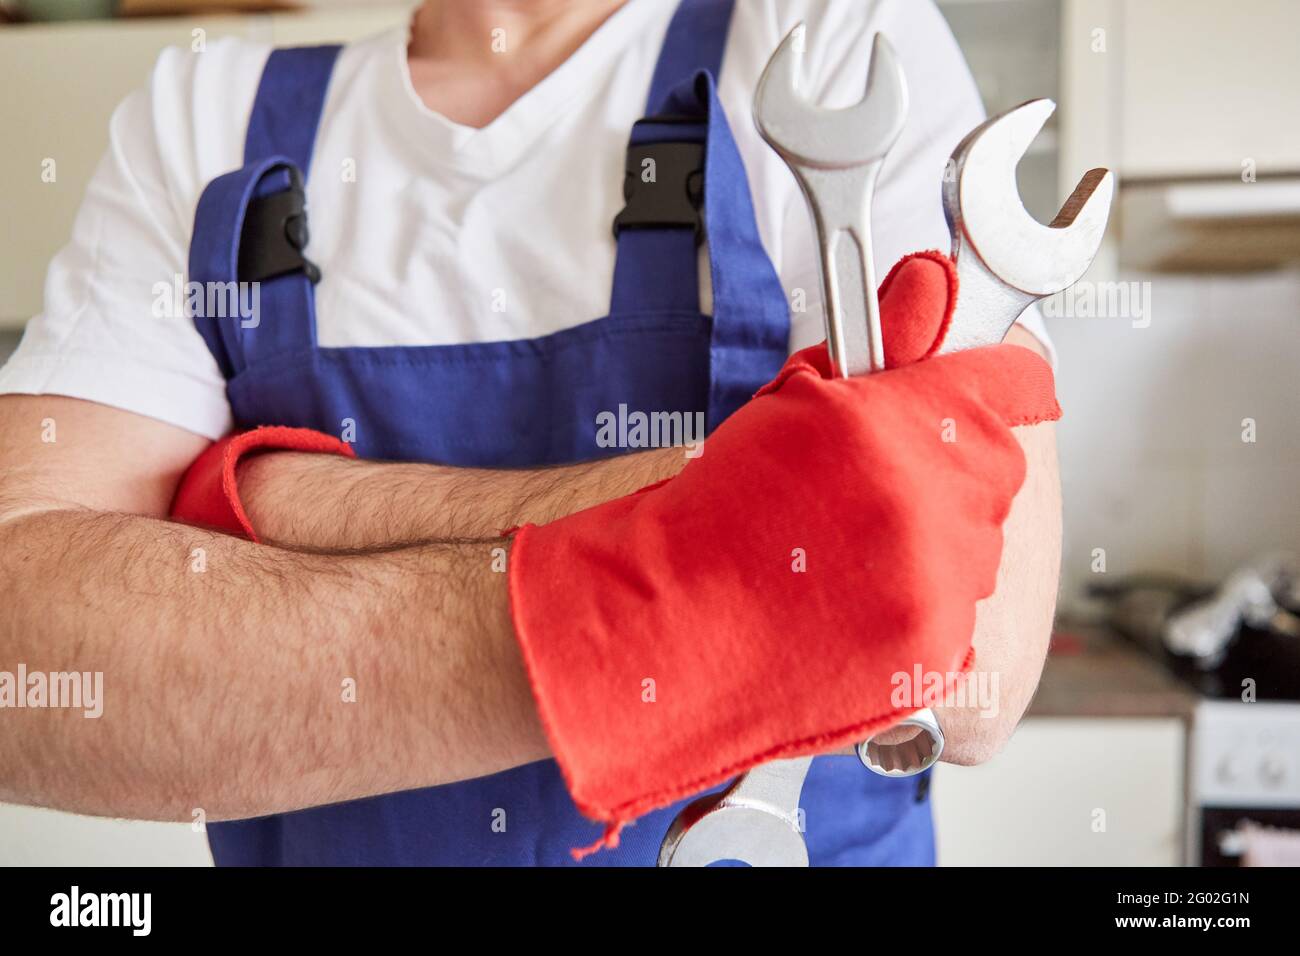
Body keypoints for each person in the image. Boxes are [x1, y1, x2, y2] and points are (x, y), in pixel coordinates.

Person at [0, 0, 1061, 866]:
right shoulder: (208, 113)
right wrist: (734, 537)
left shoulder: (822, 33)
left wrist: (289, 506)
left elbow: (966, 653)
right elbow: (25, 650)